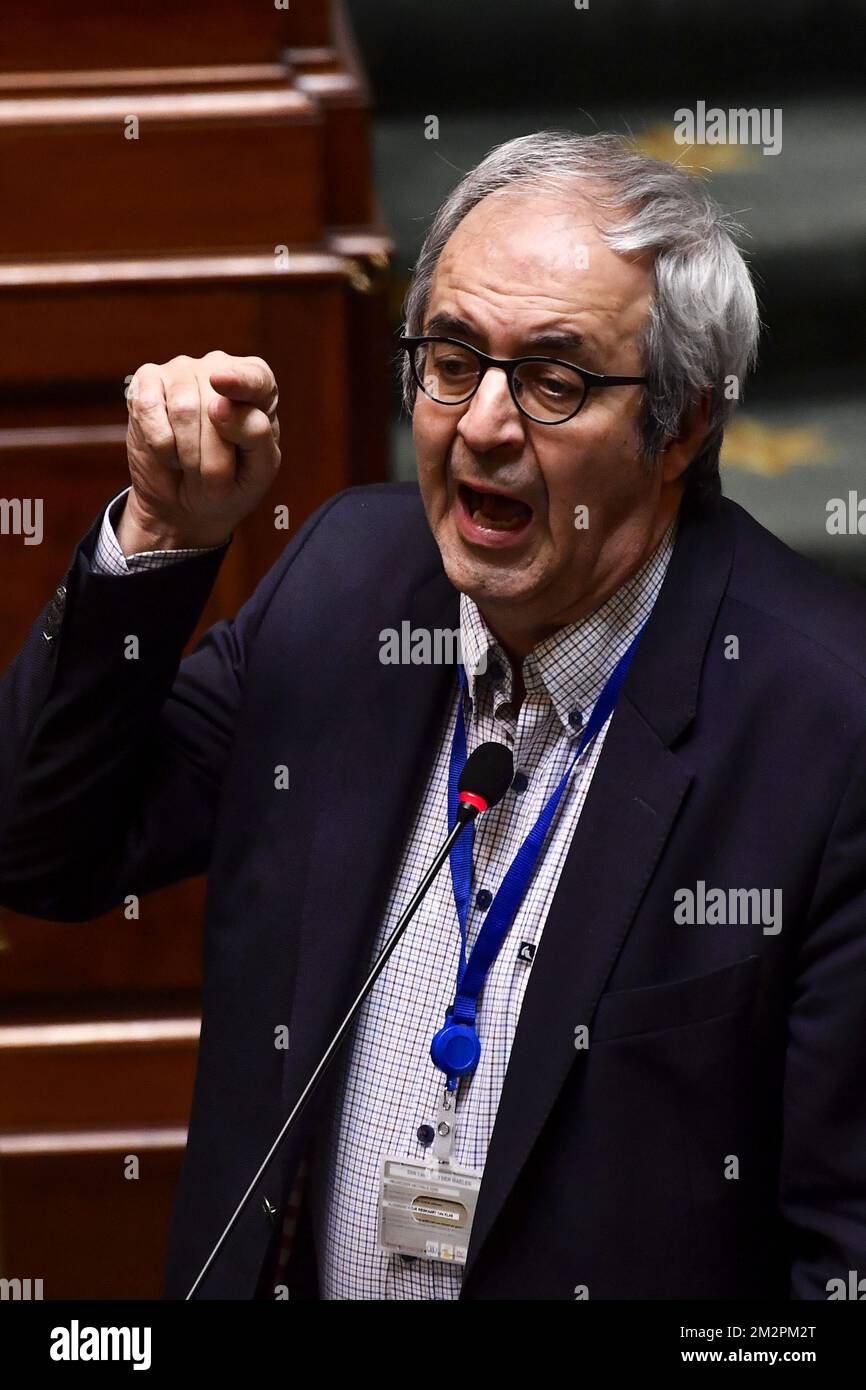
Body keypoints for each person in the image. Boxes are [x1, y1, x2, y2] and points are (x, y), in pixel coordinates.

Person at [2, 132, 865, 1301]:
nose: (482, 426)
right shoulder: (343, 586)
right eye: (450, 360)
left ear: (681, 429)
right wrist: (159, 537)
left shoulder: (824, 727)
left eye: (555, 381)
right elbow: (42, 843)